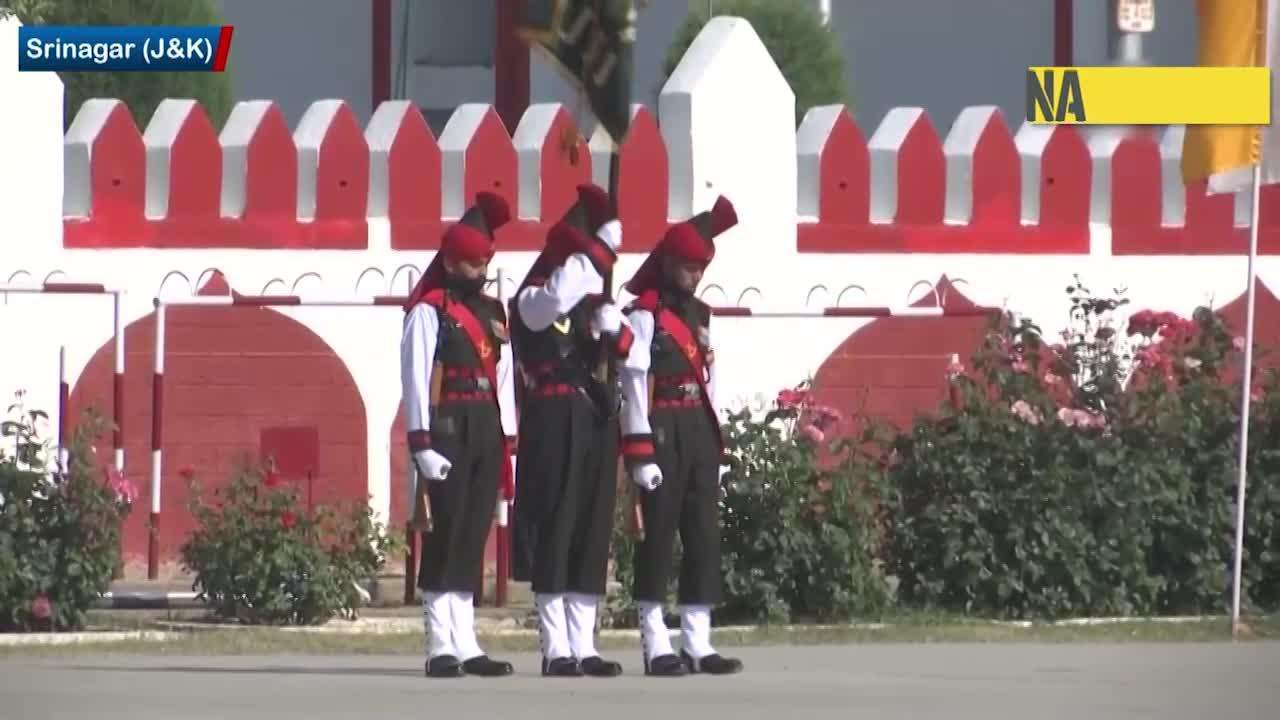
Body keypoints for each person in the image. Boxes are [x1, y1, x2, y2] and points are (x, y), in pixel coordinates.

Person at [508, 183, 632, 678]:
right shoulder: (533, 297)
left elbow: (635, 359)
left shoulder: (589, 303)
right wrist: (599, 251)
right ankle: (555, 644)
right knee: (557, 524)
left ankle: (585, 643)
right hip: (553, 419)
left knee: (590, 526)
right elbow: (557, 298)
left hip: (596, 420)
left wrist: (613, 329)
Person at [618, 195, 744, 677]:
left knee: (703, 535)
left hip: (697, 430)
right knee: (658, 537)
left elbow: (710, 377)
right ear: (668, 264)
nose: (694, 276)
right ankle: (655, 642)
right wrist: (639, 449)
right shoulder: (644, 315)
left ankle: (698, 640)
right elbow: (634, 384)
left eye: (700, 268)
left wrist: (715, 436)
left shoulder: (702, 315)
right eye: (688, 267)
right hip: (662, 429)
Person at [401, 191, 519, 679]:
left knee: (473, 535)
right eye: (472, 262)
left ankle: (466, 640)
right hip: (447, 427)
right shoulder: (429, 310)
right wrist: (421, 443)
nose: (480, 270)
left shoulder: (494, 311)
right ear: (450, 262)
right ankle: (438, 642)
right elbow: (414, 375)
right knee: (446, 534)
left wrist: (509, 434)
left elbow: (505, 374)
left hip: (485, 428)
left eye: (484, 261)